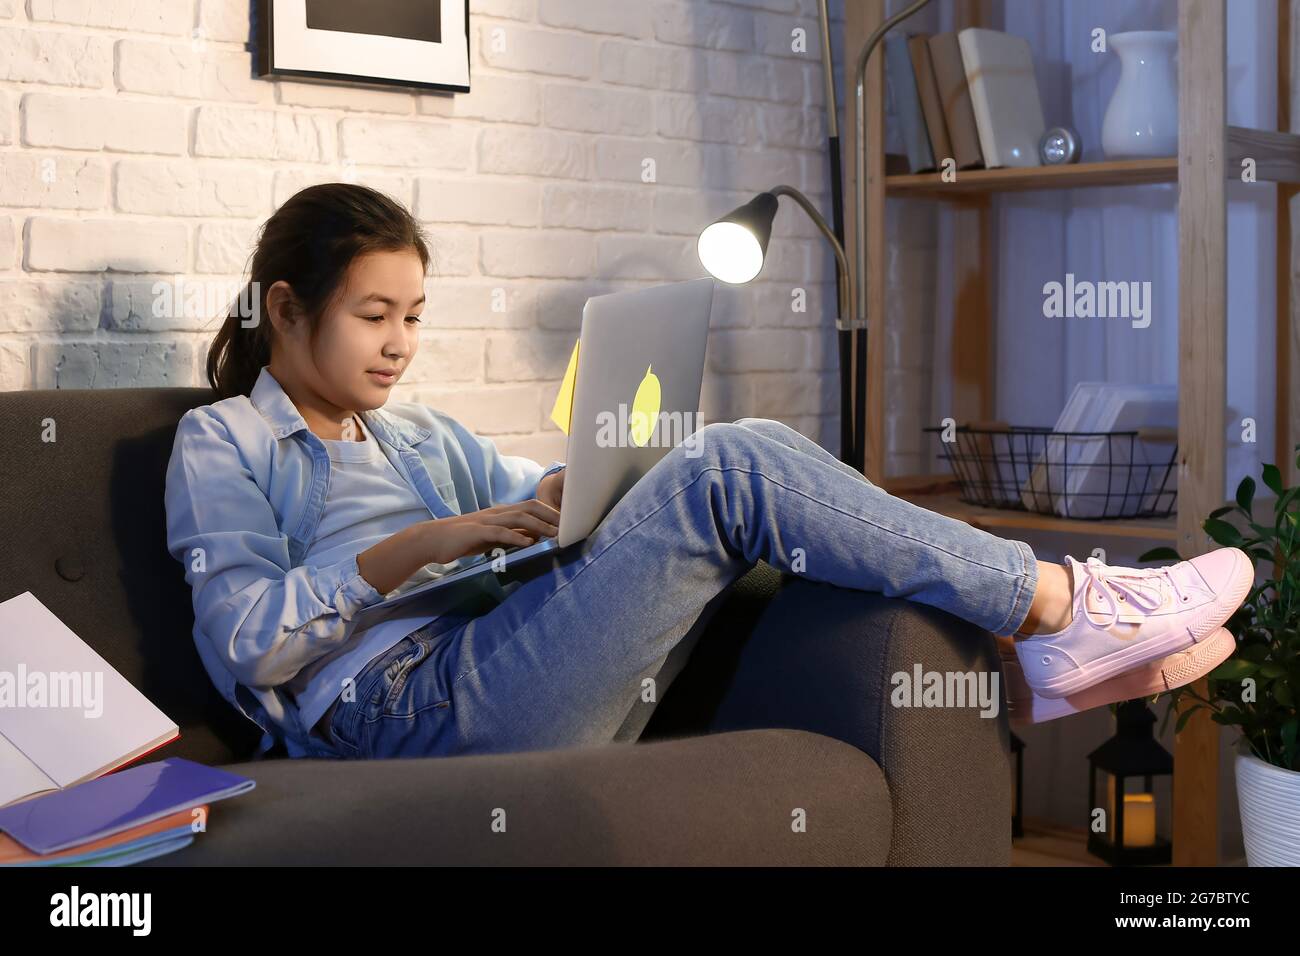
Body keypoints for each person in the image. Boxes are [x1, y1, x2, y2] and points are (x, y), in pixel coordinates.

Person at [164, 183, 1253, 761]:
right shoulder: (225, 444)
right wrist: (421, 545)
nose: (399, 343)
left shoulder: (420, 434)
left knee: (728, 462)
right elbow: (244, 642)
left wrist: (561, 501)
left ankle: (1042, 634)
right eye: (372, 315)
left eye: (412, 316)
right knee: (730, 463)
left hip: (498, 656)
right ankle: (1064, 606)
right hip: (402, 712)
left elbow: (552, 508)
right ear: (285, 309)